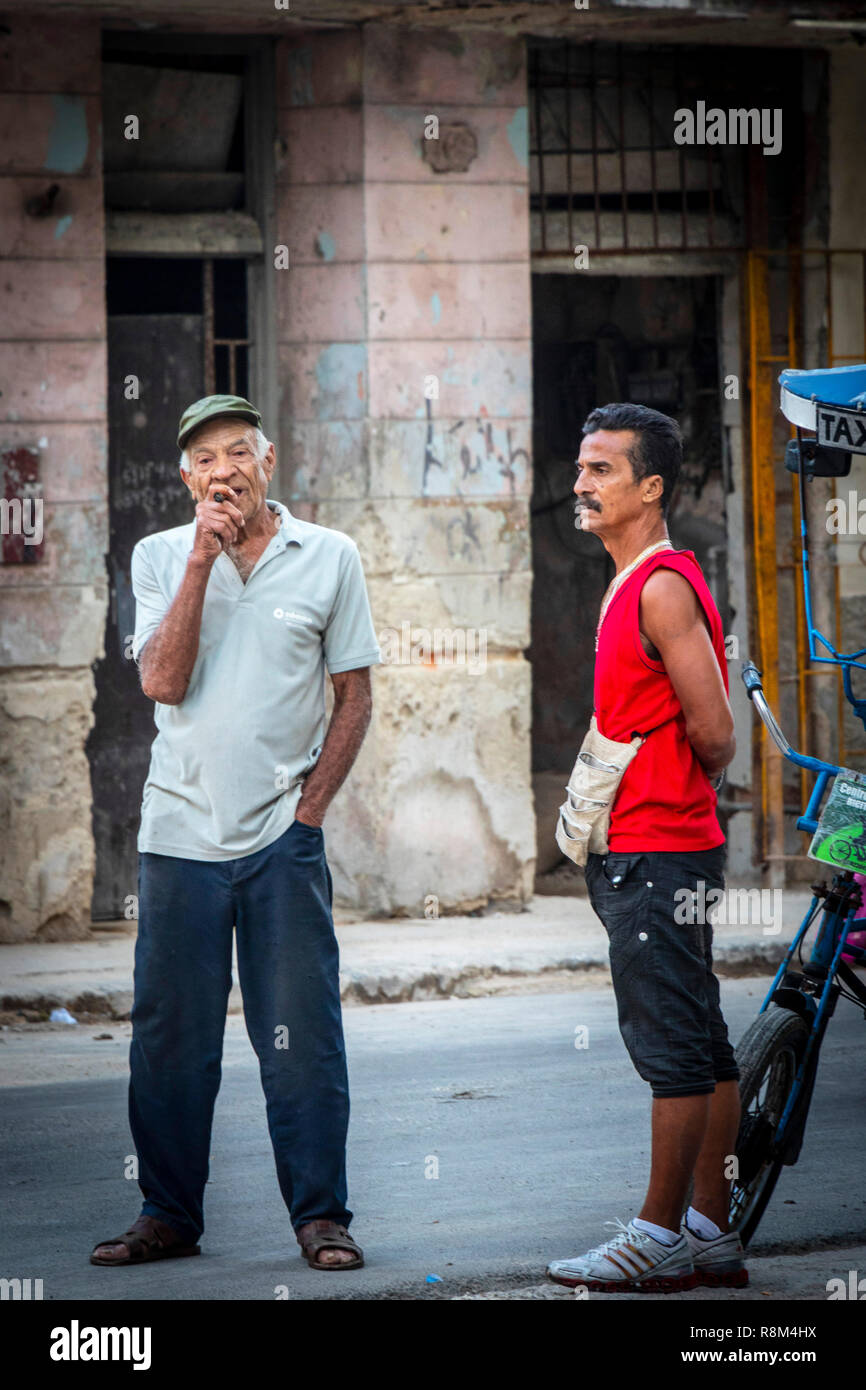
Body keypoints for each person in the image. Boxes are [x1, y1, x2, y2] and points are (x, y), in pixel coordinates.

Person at [90, 394, 380, 1272]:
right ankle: (167, 1213)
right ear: (187, 477)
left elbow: (354, 694)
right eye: (205, 459)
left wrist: (311, 811)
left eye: (237, 453)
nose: (223, 471)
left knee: (302, 1038)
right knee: (170, 1040)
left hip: (280, 845)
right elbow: (163, 683)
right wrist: (198, 566)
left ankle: (321, 1218)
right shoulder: (157, 557)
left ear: (268, 461)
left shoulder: (329, 556)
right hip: (178, 836)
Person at [546, 402, 746, 1293]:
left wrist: (658, 782)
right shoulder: (633, 580)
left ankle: (659, 1236)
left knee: (671, 1049)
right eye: (582, 469)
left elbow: (717, 736)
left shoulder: (660, 586)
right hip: (660, 849)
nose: (582, 486)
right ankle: (710, 1228)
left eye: (602, 472)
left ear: (650, 487)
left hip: (658, 851)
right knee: (702, 1042)